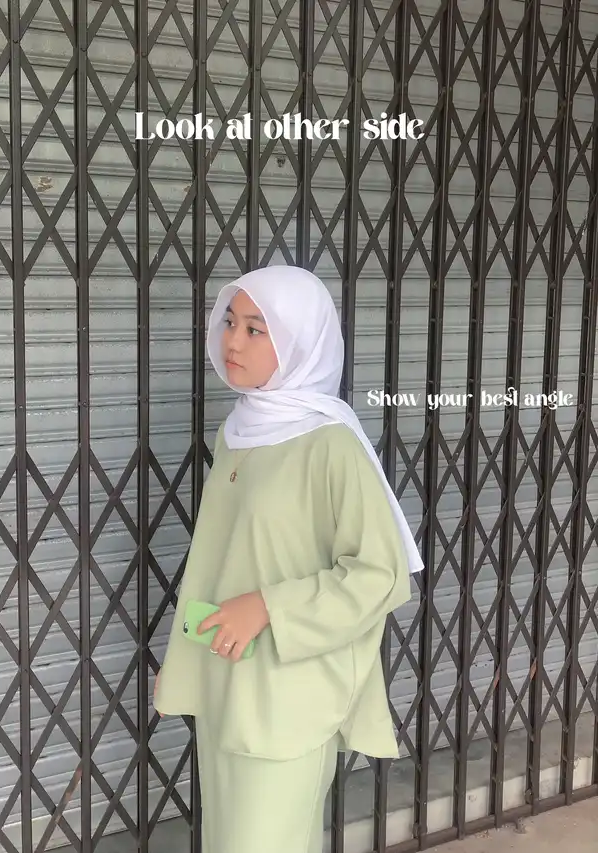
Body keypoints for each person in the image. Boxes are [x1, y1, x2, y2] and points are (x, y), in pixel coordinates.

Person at [153, 264, 423, 853]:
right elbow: (218, 561)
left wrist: (269, 607)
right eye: (230, 322)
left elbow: (380, 575)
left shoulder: (330, 444)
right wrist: (189, 658)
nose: (232, 341)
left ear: (302, 342)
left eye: (256, 329)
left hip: (288, 696)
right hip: (228, 683)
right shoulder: (239, 431)